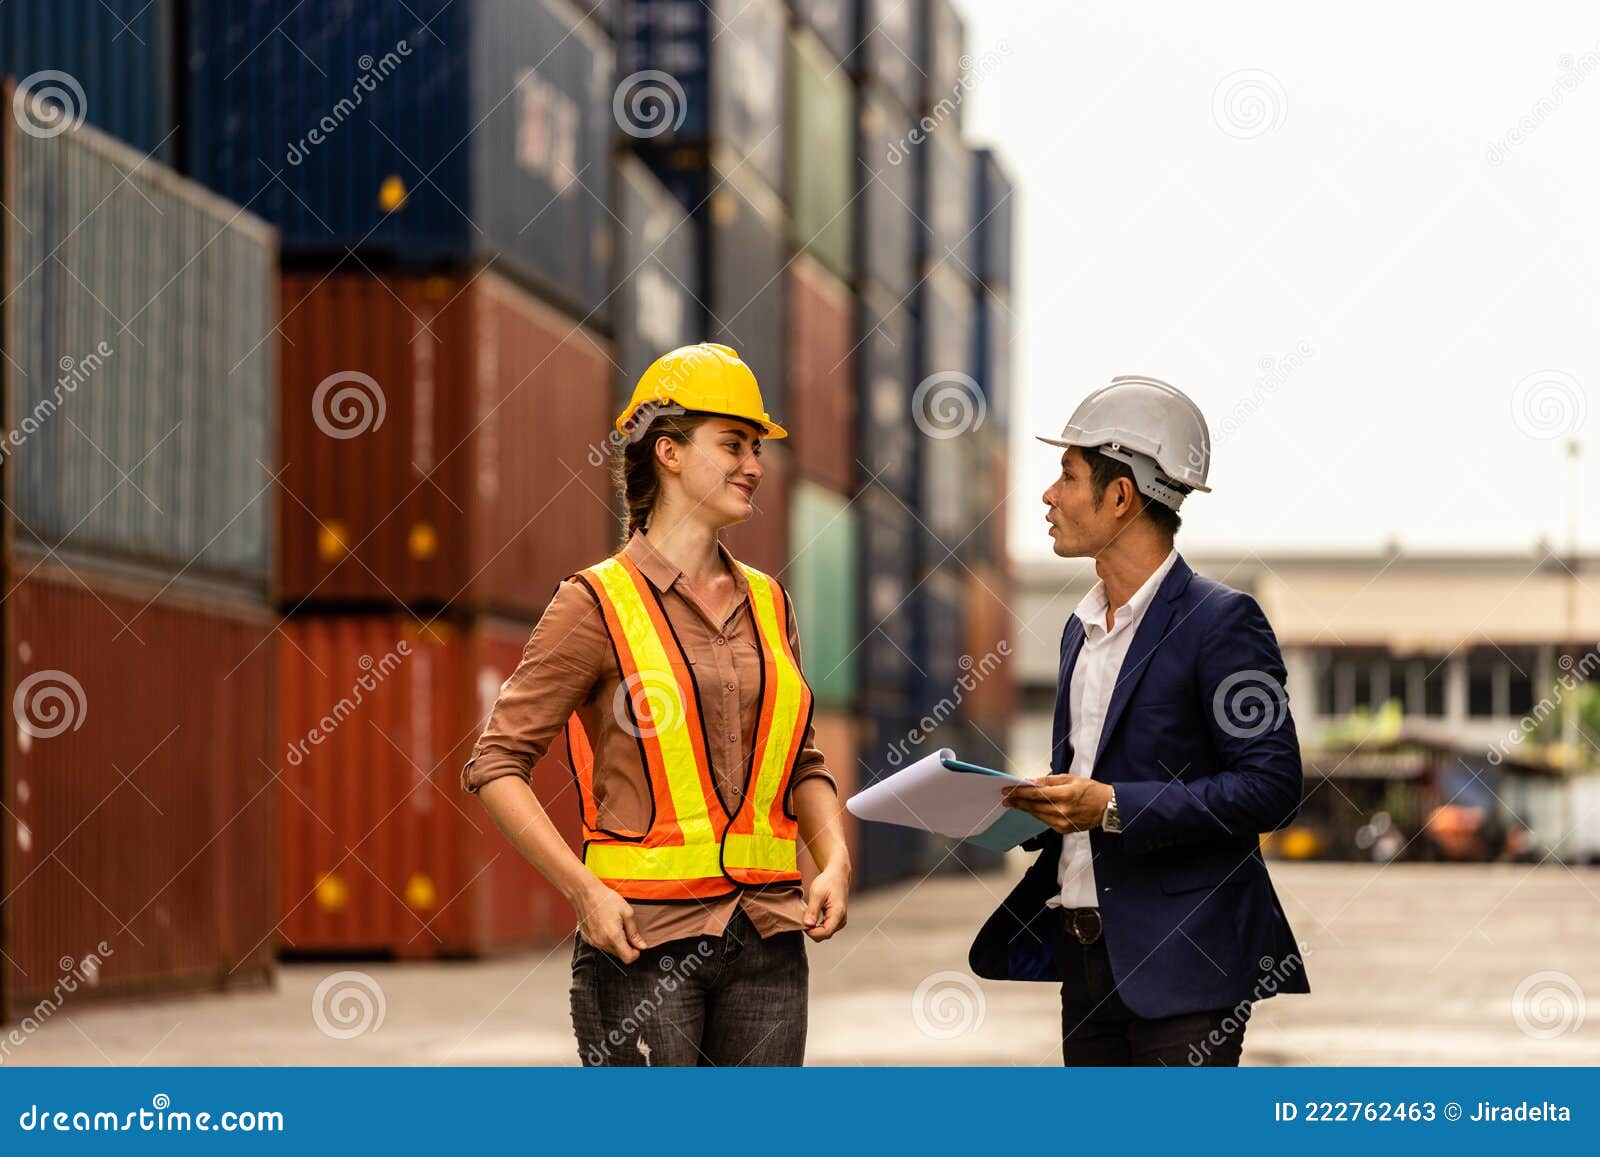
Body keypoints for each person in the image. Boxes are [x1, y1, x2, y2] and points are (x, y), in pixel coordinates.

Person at [462, 343, 851, 1067]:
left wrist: (834, 859)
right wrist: (583, 891)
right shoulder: (594, 602)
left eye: (757, 448)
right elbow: (496, 763)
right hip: (641, 942)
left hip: (769, 941)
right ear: (668, 451)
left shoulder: (770, 603)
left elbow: (803, 758)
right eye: (733, 444)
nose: (755, 466)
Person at [969, 374, 1310, 1066]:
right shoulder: (1079, 630)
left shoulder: (1224, 623)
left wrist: (1113, 806)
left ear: (1120, 496)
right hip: (1085, 958)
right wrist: (1040, 805)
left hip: (1186, 963)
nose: (1048, 494)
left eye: (1066, 475)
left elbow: (1273, 785)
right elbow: (1095, 786)